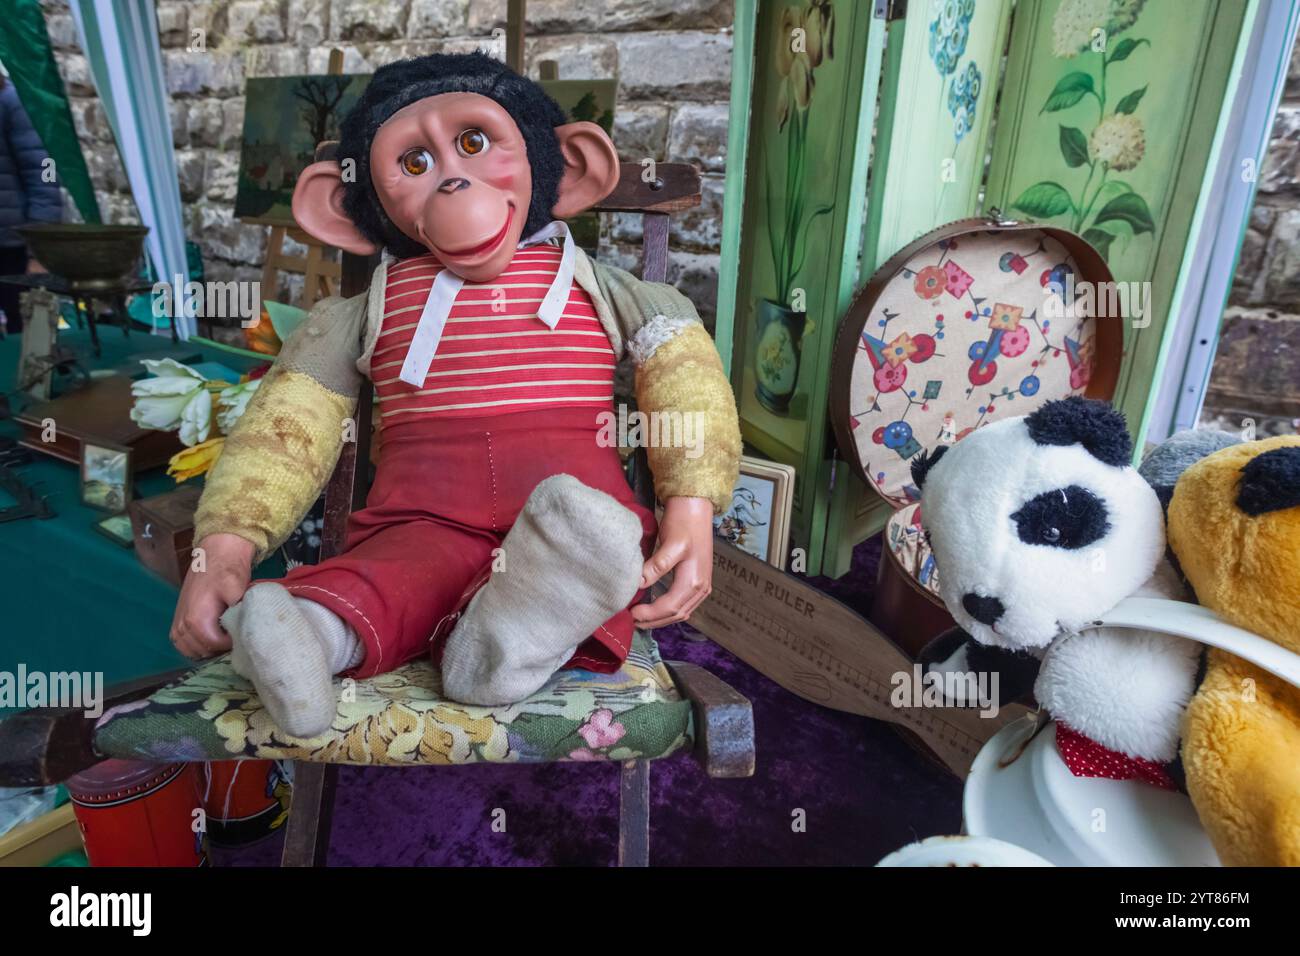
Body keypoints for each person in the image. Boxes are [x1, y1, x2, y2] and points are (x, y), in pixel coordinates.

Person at [0, 72, 62, 333]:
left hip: (12, 245)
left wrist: (39, 249)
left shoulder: (13, 101)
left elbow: (45, 170)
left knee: (30, 333)